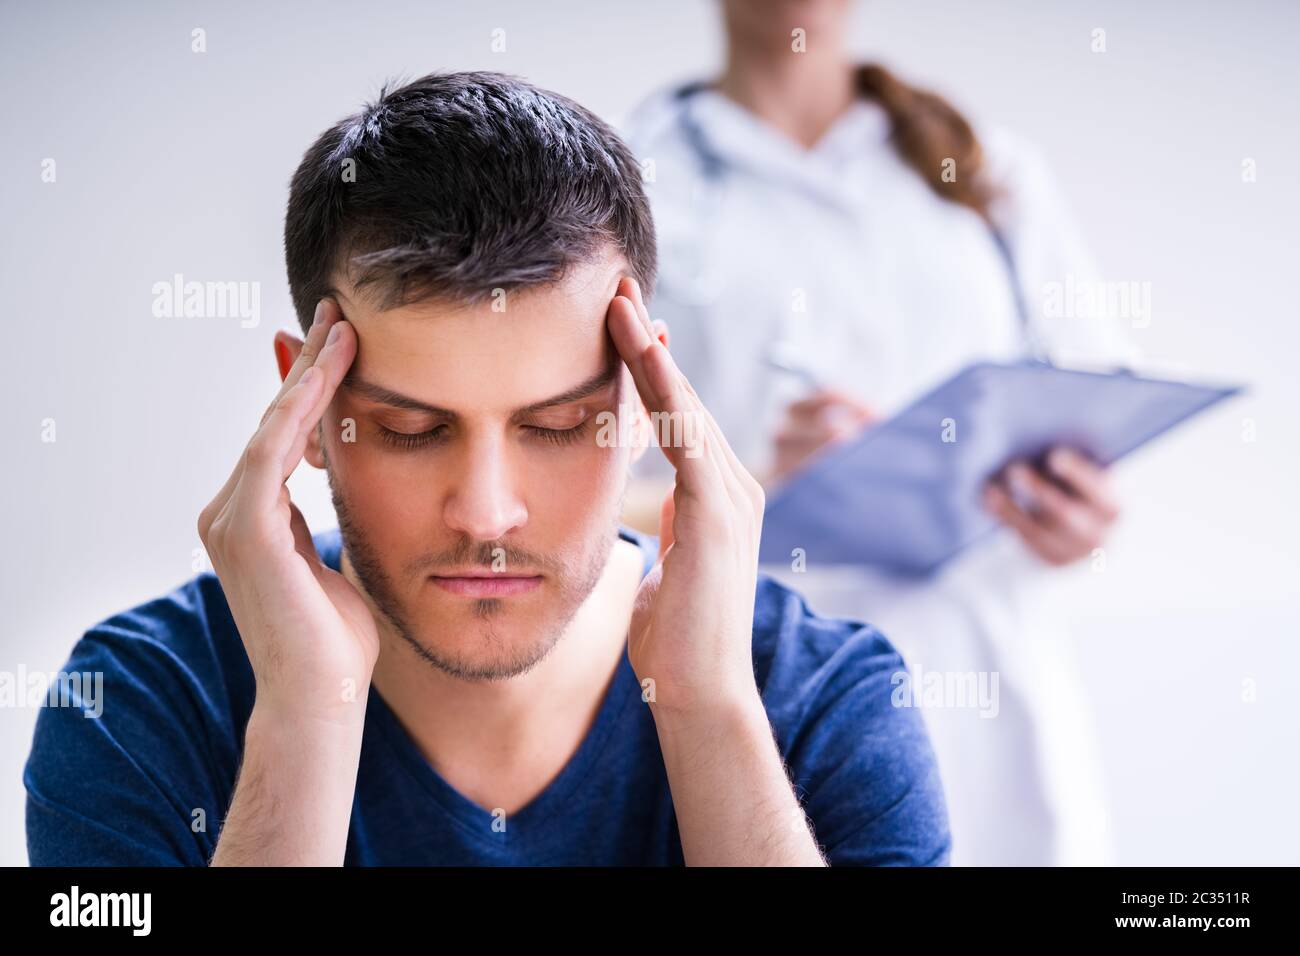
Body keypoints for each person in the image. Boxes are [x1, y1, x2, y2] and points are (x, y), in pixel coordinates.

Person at [24, 71, 950, 866]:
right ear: (303, 409)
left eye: (554, 426)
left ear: (642, 404)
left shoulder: (829, 705)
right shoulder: (136, 709)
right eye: (412, 430)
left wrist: (707, 706)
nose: (487, 514)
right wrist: (306, 713)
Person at [621, 0, 1140, 865]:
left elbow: (1090, 411)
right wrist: (754, 485)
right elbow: (584, 504)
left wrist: (1078, 522)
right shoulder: (643, 183)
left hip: (989, 681)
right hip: (769, 682)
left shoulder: (990, 170)